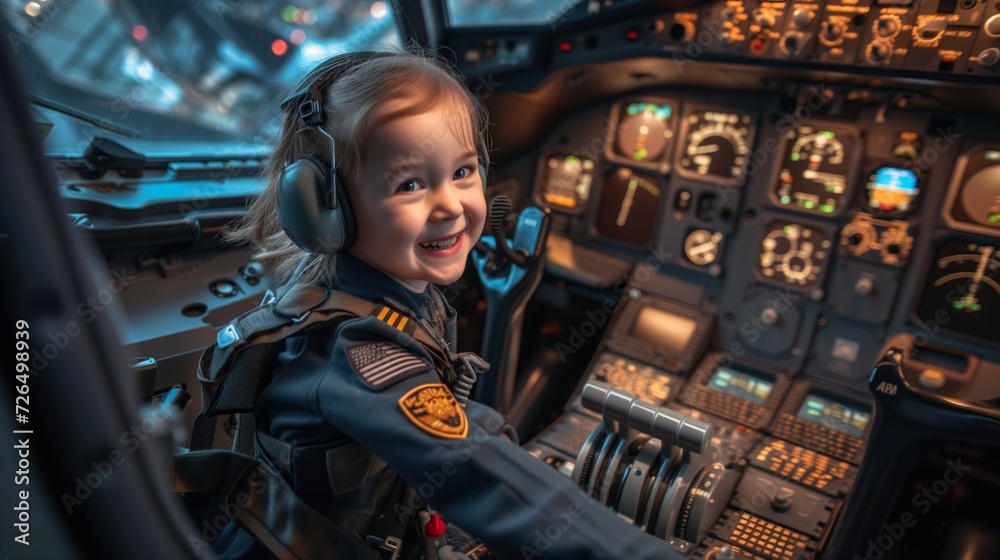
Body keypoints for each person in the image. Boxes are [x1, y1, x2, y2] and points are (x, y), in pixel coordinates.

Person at [224, 47, 679, 559]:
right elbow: (467, 469)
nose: (450, 205)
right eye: (410, 184)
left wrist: (490, 431)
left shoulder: (363, 293)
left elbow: (436, 414)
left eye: (463, 171)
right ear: (328, 211)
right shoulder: (357, 350)